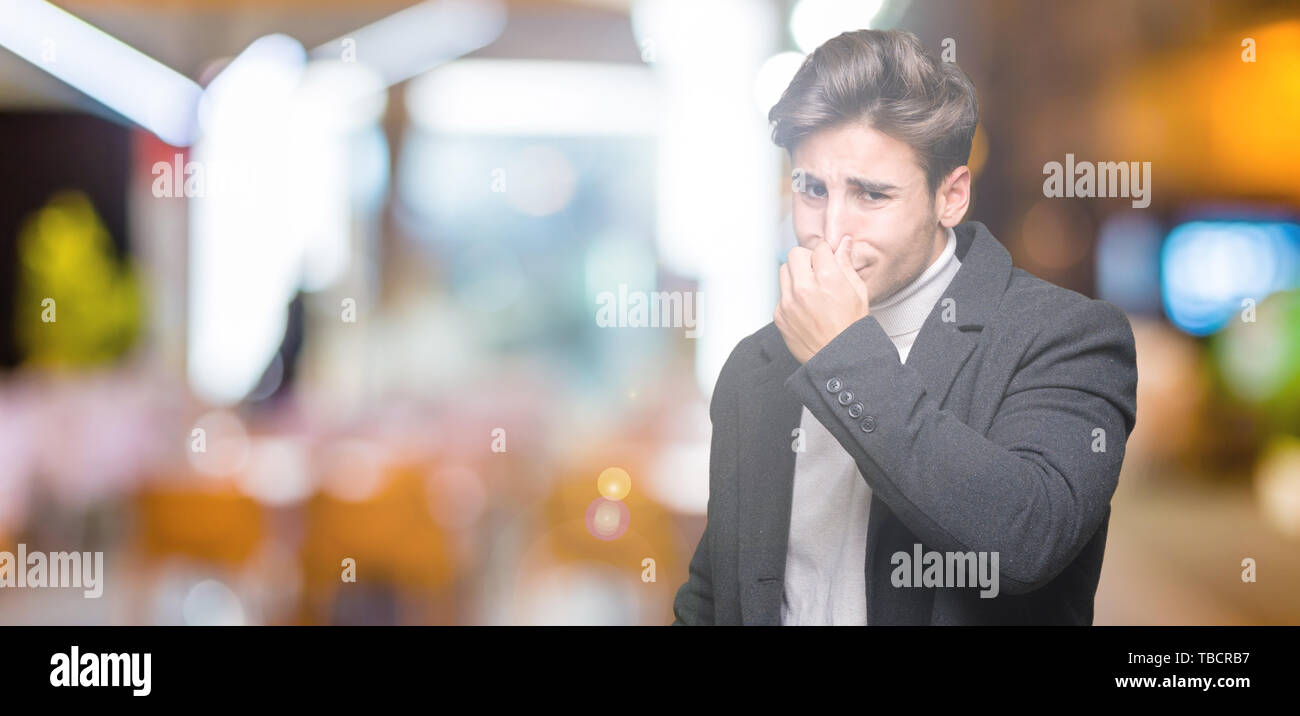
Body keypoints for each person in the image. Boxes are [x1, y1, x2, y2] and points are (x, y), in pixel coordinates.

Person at [671, 28, 1137, 625]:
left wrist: (840, 354)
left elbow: (1025, 540)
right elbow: (715, 597)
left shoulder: (1067, 337)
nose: (830, 230)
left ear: (951, 196)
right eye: (812, 189)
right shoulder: (754, 367)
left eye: (871, 194)